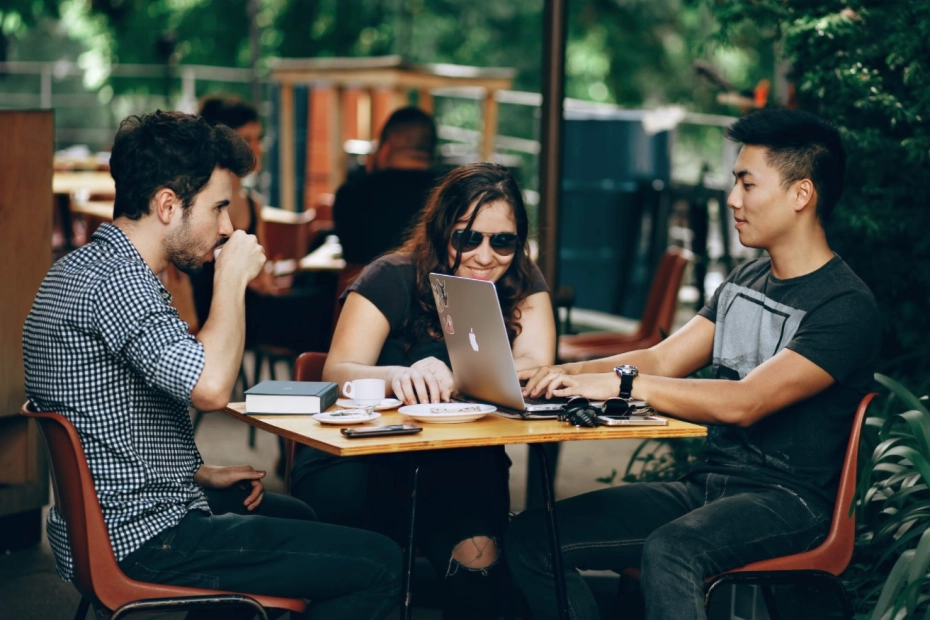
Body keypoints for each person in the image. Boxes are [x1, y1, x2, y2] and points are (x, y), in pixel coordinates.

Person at [23, 110, 401, 620]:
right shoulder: (120, 284)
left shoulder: (82, 268)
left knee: (298, 513)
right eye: (219, 208)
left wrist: (196, 472)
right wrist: (230, 280)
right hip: (146, 537)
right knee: (380, 561)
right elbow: (211, 389)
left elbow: (109, 417)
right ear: (167, 205)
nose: (228, 227)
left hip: (110, 524)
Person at [507, 108, 881, 620]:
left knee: (671, 550)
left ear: (801, 195)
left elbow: (747, 402)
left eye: (748, 184)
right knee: (532, 537)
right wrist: (564, 375)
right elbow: (663, 357)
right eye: (735, 183)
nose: (733, 199)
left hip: (790, 503)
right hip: (707, 487)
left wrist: (623, 384)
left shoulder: (843, 304)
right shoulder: (745, 280)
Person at [290, 162, 557, 619]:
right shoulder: (390, 276)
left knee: (483, 579)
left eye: (503, 241)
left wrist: (464, 375)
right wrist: (398, 376)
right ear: (440, 232)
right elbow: (334, 372)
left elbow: (535, 364)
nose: (486, 255)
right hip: (367, 459)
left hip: (460, 463)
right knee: (385, 567)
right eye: (467, 238)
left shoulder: (521, 279)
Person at [333, 105, 440, 265]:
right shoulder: (448, 195)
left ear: (385, 147)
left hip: (362, 288)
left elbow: (350, 255)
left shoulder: (350, 195)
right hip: (428, 289)